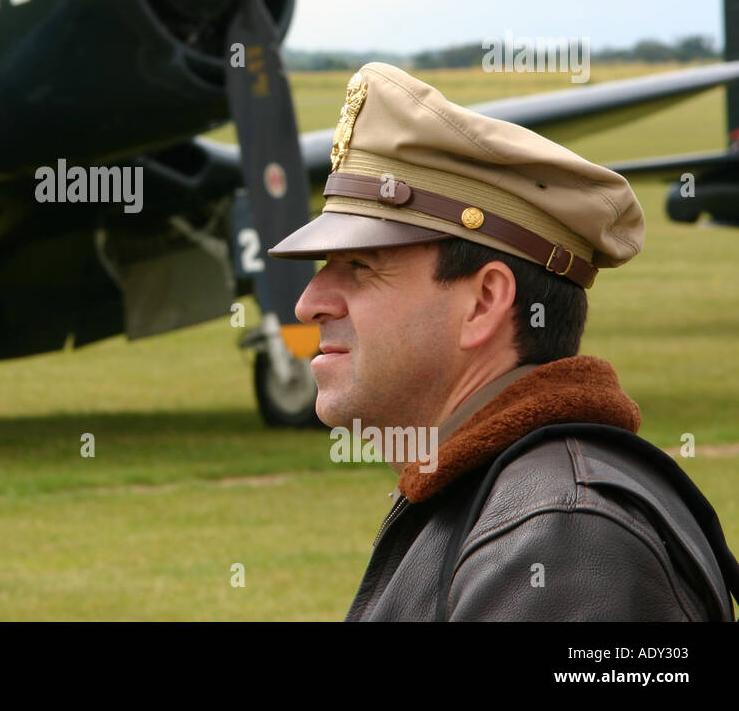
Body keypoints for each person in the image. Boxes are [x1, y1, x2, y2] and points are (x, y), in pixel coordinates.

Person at [268, 62, 739, 621]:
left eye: (361, 266)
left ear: (485, 302)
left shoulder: (562, 535)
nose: (309, 303)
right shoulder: (506, 502)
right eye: (325, 266)